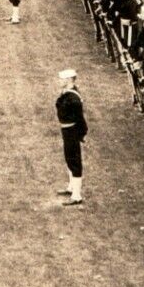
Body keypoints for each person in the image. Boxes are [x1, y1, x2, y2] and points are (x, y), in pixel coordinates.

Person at [55, 69, 87, 205]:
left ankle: (77, 195)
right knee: (69, 158)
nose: (59, 81)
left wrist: (81, 134)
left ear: (68, 80)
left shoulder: (72, 98)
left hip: (72, 131)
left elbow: (80, 118)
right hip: (67, 130)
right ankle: (71, 187)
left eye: (62, 79)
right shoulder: (67, 94)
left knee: (74, 161)